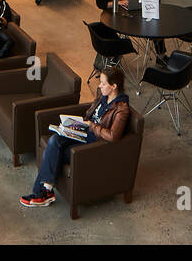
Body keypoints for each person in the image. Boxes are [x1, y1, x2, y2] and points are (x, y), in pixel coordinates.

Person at [21, 65, 131, 208]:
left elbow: (113, 136)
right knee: (54, 139)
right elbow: (90, 113)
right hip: (85, 132)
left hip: (95, 142)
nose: (100, 86)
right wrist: (76, 124)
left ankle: (43, 192)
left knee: (57, 151)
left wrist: (92, 126)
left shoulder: (121, 109)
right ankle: (45, 191)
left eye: (103, 83)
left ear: (114, 86)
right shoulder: (103, 96)